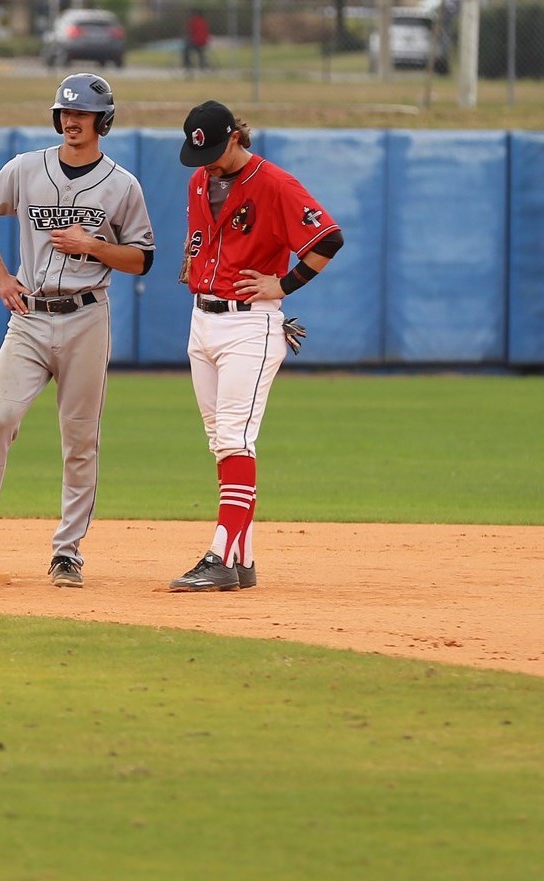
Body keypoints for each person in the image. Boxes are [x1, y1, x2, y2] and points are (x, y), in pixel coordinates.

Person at [0, 73, 156, 589]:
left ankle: (68, 552)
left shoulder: (122, 185)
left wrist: (93, 246)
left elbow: (142, 259)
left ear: (104, 121)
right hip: (28, 317)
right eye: (65, 113)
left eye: (83, 114)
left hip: (86, 317)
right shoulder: (27, 169)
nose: (72, 121)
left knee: (79, 438)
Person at [166, 100, 342, 593]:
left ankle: (221, 556)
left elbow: (328, 237)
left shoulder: (276, 183)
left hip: (250, 327)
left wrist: (283, 285)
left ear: (237, 137)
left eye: (217, 150)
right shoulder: (199, 181)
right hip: (202, 321)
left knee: (233, 439)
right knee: (218, 439)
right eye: (201, 154)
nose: (208, 162)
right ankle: (242, 561)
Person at [183, 9, 211, 75]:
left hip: (195, 41)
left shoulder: (193, 21)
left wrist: (187, 38)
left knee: (186, 50)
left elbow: (189, 31)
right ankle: (202, 65)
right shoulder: (204, 22)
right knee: (201, 52)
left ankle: (188, 65)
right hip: (203, 42)